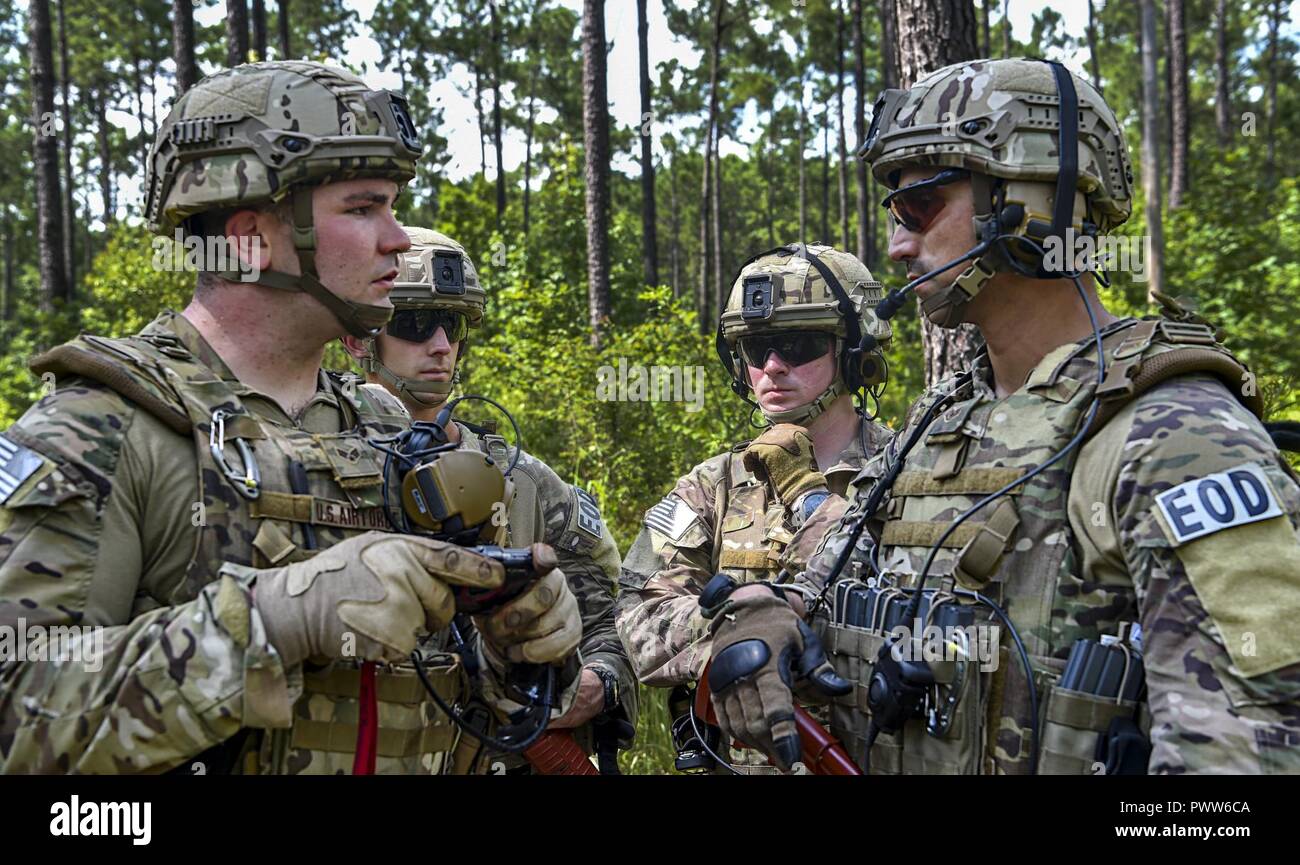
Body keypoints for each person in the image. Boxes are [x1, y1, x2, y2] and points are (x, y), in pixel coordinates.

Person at [702, 58, 1300, 775]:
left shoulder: (1176, 435)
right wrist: (775, 617)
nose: (896, 244)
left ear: (1028, 192)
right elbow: (829, 584)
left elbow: (1247, 758)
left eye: (919, 206)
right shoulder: (942, 419)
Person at [0, 61, 581, 774]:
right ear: (250, 238)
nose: (400, 239)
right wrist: (274, 619)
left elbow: (450, 707)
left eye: (394, 206)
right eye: (364, 209)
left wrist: (509, 646)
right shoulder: (103, 427)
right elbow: (18, 708)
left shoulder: (385, 428)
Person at [340, 226, 635, 773]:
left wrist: (600, 681)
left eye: (450, 325)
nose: (440, 345)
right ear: (360, 338)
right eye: (413, 324)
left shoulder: (524, 481)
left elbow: (609, 614)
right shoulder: (317, 470)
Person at [616, 244, 893, 772]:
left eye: (798, 344)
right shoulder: (712, 484)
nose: (772, 366)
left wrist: (807, 495)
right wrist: (736, 632)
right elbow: (638, 618)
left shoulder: (907, 469)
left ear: (854, 352)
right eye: (756, 347)